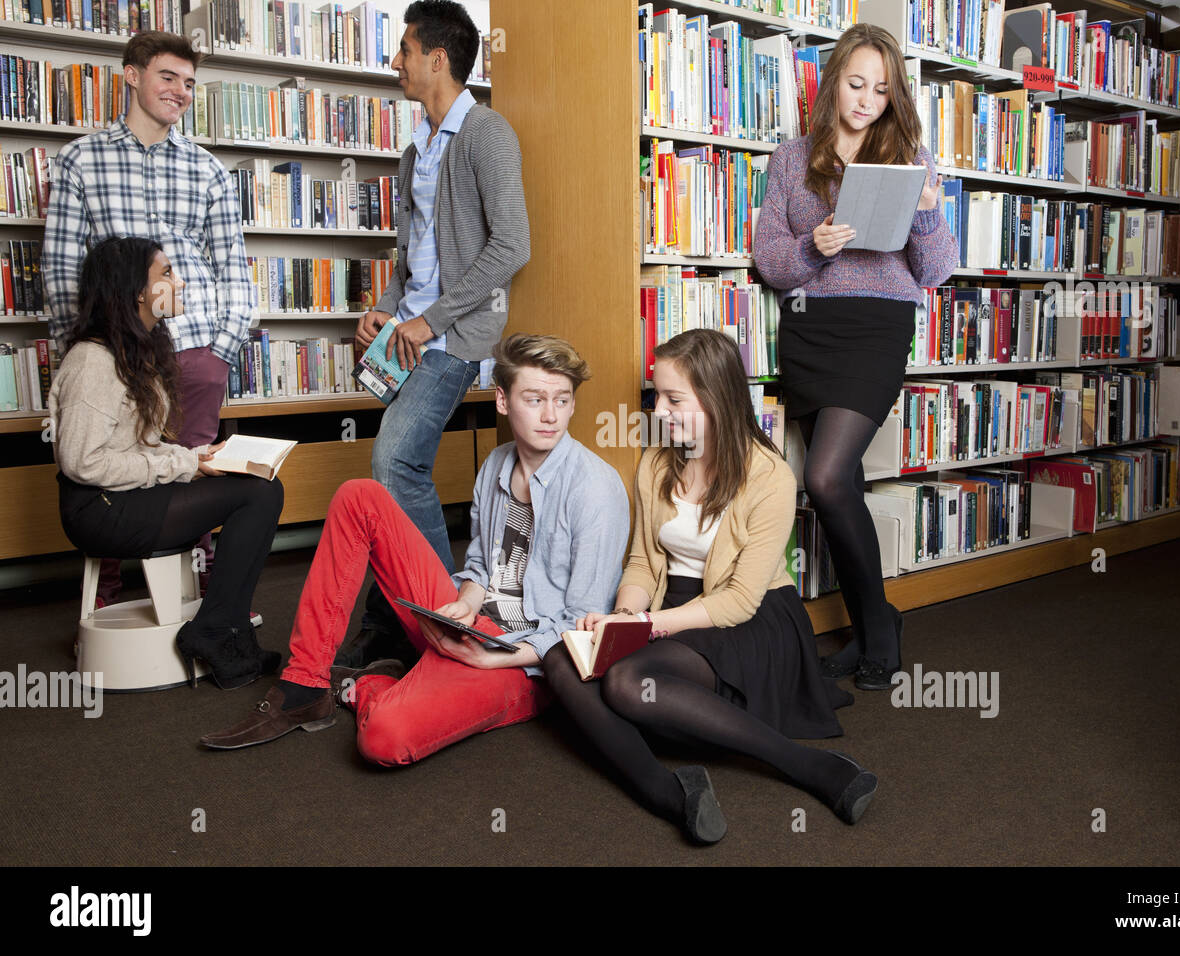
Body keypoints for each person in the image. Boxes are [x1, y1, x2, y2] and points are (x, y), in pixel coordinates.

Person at [198, 334, 627, 765]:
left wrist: (490, 659)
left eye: (562, 400)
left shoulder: (595, 487)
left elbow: (583, 630)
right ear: (502, 400)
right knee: (359, 496)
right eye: (534, 399)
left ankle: (371, 686)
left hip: (526, 664)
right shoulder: (497, 463)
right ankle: (304, 685)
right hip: (474, 626)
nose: (551, 416)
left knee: (385, 739)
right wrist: (464, 603)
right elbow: (479, 565)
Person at [542, 329, 872, 844]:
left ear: (716, 398)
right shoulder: (654, 464)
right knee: (560, 659)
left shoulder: (770, 477)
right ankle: (666, 790)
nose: (661, 410)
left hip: (750, 618)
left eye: (675, 399)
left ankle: (810, 766)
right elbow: (642, 564)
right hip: (671, 606)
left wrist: (650, 627)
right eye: (658, 396)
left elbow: (740, 599)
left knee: (625, 684)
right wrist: (625, 616)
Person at [753, 22, 958, 692]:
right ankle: (873, 631)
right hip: (812, 329)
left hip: (877, 327)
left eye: (880, 87)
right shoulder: (791, 160)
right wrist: (816, 245)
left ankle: (880, 622)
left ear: (894, 93)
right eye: (856, 83)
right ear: (833, 81)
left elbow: (936, 271)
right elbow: (771, 261)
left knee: (827, 477)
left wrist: (926, 212)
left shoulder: (909, 158)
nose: (867, 98)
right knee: (841, 487)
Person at [343, 0, 531, 670]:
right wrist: (387, 309)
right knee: (389, 480)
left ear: (437, 58)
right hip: (408, 335)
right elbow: (412, 253)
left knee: (396, 466)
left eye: (403, 49)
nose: (395, 61)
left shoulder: (486, 133)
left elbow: (512, 245)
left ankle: (451, 613)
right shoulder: (414, 149)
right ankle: (391, 617)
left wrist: (431, 320)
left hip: (455, 336)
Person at [43, 31, 256, 611]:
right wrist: (93, 349)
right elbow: (62, 266)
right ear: (132, 75)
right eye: (168, 77)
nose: (181, 92)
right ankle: (109, 596)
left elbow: (233, 265)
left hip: (193, 346)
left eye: (190, 82)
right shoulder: (81, 160)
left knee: (198, 475)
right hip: (119, 351)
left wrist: (222, 349)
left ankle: (207, 598)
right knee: (111, 471)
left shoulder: (207, 169)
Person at [48, 237, 282, 689]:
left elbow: (139, 445)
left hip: (127, 497)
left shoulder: (137, 350)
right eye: (168, 273)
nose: (181, 281)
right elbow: (82, 463)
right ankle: (219, 629)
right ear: (138, 290)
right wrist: (179, 467)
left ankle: (220, 624)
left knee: (260, 483)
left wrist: (195, 460)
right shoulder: (92, 361)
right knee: (259, 494)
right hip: (99, 509)